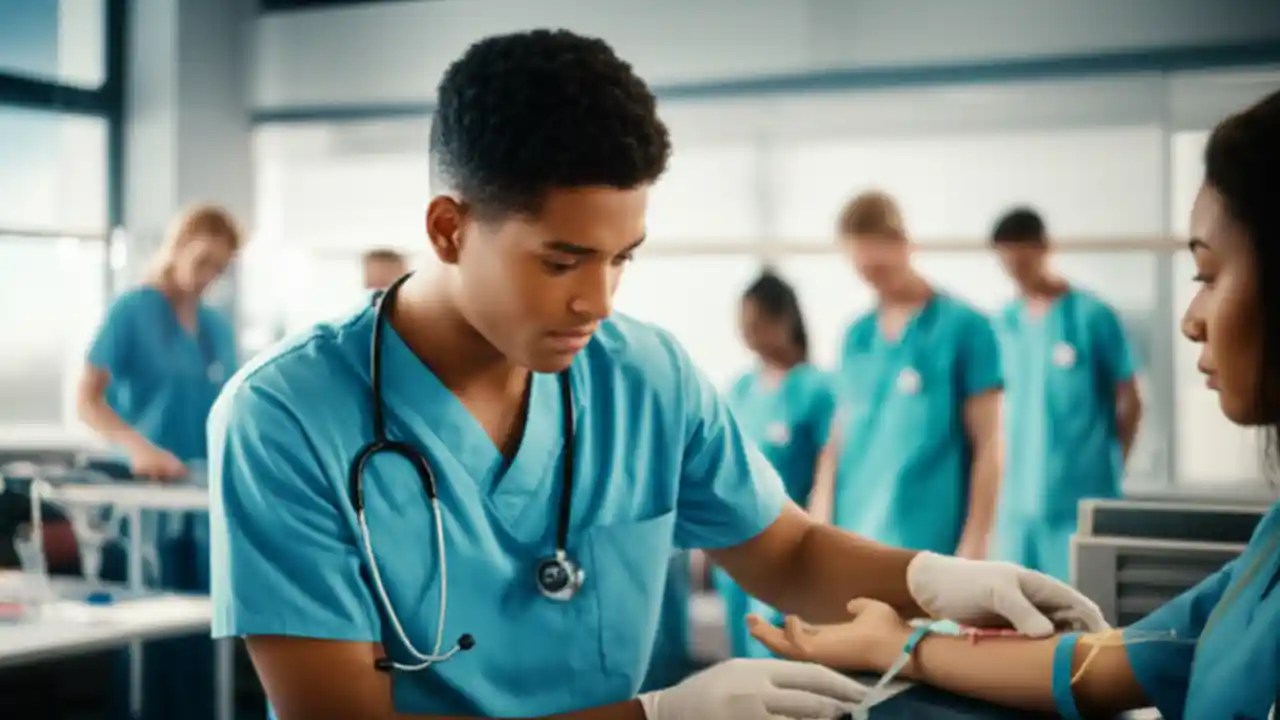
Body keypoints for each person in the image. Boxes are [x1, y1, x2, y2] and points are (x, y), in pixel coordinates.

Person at [208, 30, 1104, 720]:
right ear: (449, 229)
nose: (594, 302)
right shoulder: (284, 416)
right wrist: (654, 714)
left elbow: (784, 550)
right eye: (560, 262)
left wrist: (937, 578)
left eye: (621, 259)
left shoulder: (644, 375)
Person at [748, 89, 1280, 720]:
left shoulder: (998, 327)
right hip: (889, 543)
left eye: (1208, 277)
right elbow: (1106, 663)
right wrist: (902, 643)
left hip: (1016, 514)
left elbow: (1014, 438)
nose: (1192, 320)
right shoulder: (1265, 553)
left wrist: (963, 556)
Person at [76, 203, 242, 720]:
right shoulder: (134, 311)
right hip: (142, 501)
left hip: (201, 498)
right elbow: (87, 400)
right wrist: (139, 447)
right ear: (178, 248)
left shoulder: (215, 325)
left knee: (203, 629)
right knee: (150, 635)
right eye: (204, 261)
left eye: (221, 267)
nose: (209, 276)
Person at [810, 191, 1003, 560]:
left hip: (932, 543)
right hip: (856, 536)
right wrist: (818, 528)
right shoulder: (857, 336)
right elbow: (837, 442)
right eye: (862, 270)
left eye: (879, 267)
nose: (874, 279)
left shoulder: (967, 329)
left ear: (902, 244)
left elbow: (990, 444)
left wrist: (977, 543)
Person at [990, 208, 1144, 581]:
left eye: (1023, 261)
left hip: (1080, 496)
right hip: (1016, 505)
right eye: (1008, 264)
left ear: (1044, 249)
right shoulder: (1004, 324)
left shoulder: (1092, 316)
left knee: (1081, 612)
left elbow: (1130, 401)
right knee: (1011, 613)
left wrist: (1112, 465)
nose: (1017, 272)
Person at [715, 270, 836, 659]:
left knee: (779, 653)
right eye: (742, 325)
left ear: (782, 320)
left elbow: (829, 466)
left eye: (755, 323)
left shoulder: (817, 388)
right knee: (741, 652)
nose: (747, 333)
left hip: (788, 544)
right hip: (733, 545)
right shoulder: (740, 389)